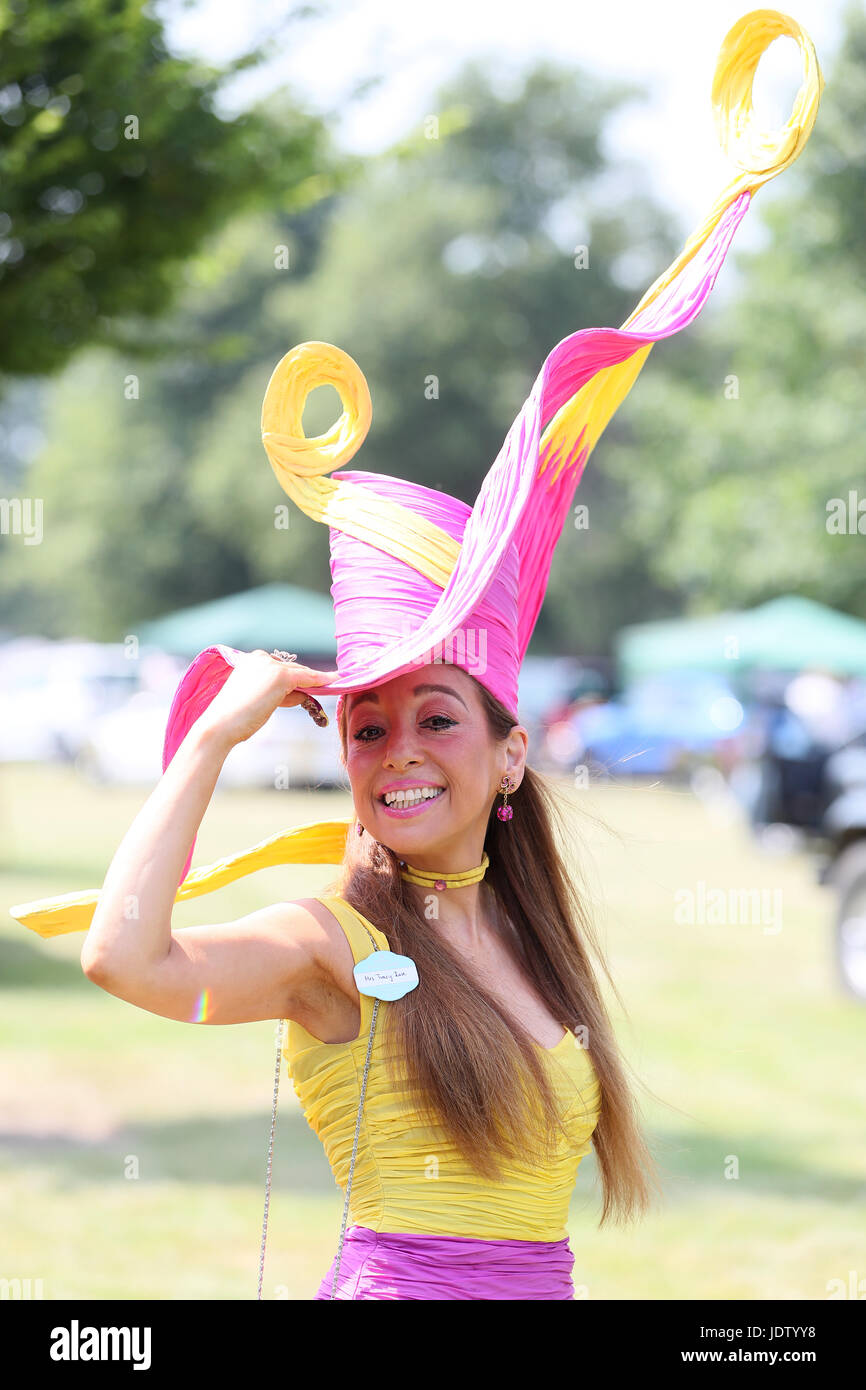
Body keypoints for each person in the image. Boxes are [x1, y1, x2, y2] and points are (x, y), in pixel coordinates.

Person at [10, 8, 823, 1299]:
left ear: (512, 749)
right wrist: (215, 742)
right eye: (366, 721)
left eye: (433, 716)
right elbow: (125, 956)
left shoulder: (522, 920)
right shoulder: (326, 939)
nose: (392, 750)